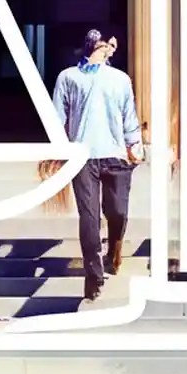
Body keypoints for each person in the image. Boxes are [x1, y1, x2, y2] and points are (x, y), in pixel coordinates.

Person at [51, 29, 142, 301]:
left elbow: (128, 114)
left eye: (111, 43)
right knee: (89, 218)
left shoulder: (120, 79)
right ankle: (93, 276)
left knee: (118, 211)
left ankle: (115, 247)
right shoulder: (68, 77)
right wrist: (58, 150)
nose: (108, 47)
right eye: (104, 42)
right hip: (82, 155)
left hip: (115, 153)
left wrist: (134, 144)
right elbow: (58, 116)